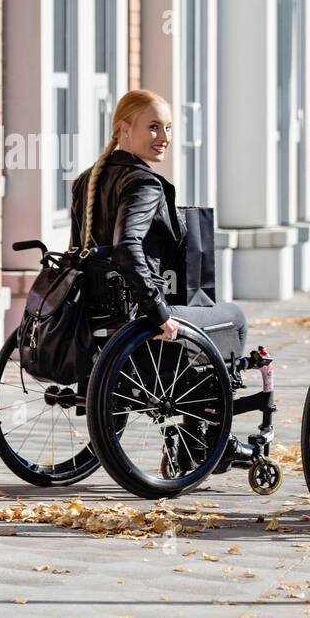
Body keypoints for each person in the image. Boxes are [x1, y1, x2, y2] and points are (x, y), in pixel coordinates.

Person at [68, 88, 255, 470]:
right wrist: (158, 312)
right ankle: (202, 440)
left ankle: (194, 435)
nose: (164, 138)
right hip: (139, 314)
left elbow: (82, 253)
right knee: (232, 319)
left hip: (99, 314)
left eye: (167, 127)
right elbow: (126, 245)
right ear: (123, 130)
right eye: (153, 127)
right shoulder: (143, 184)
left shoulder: (87, 181)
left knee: (201, 323)